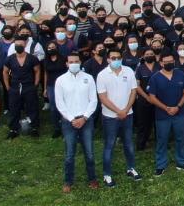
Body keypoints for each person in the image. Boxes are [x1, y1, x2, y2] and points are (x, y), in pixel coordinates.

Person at [54, 51, 99, 193]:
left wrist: (84, 118)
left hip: (86, 120)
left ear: (80, 63)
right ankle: (68, 181)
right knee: (69, 154)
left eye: (76, 61)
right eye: (71, 62)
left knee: (89, 152)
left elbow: (93, 100)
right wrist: (73, 119)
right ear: (67, 64)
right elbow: (60, 103)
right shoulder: (60, 80)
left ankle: (92, 179)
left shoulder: (89, 78)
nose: (74, 64)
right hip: (69, 121)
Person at [97, 48, 142, 185]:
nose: (116, 60)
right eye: (113, 58)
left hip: (128, 115)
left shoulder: (128, 71)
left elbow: (133, 91)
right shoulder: (102, 75)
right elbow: (103, 98)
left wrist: (126, 109)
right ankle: (107, 174)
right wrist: (118, 111)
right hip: (110, 117)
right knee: (109, 145)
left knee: (128, 144)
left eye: (118, 58)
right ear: (108, 59)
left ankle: (131, 168)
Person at [147, 53, 184, 175]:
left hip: (179, 113)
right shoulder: (155, 77)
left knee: (180, 138)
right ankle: (161, 164)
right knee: (162, 139)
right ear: (161, 63)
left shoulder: (180, 74)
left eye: (171, 61)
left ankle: (182, 162)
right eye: (166, 62)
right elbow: (151, 97)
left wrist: (178, 106)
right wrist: (166, 108)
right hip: (162, 115)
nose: (169, 64)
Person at [2, 36, 42, 139]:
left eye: (21, 44)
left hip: (29, 86)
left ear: (25, 45)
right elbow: (5, 72)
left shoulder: (32, 58)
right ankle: (13, 129)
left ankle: (34, 128)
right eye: (17, 45)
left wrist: (35, 85)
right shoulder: (10, 59)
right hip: (14, 87)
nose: (18, 46)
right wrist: (7, 87)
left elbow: (37, 71)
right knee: (14, 108)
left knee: (32, 107)